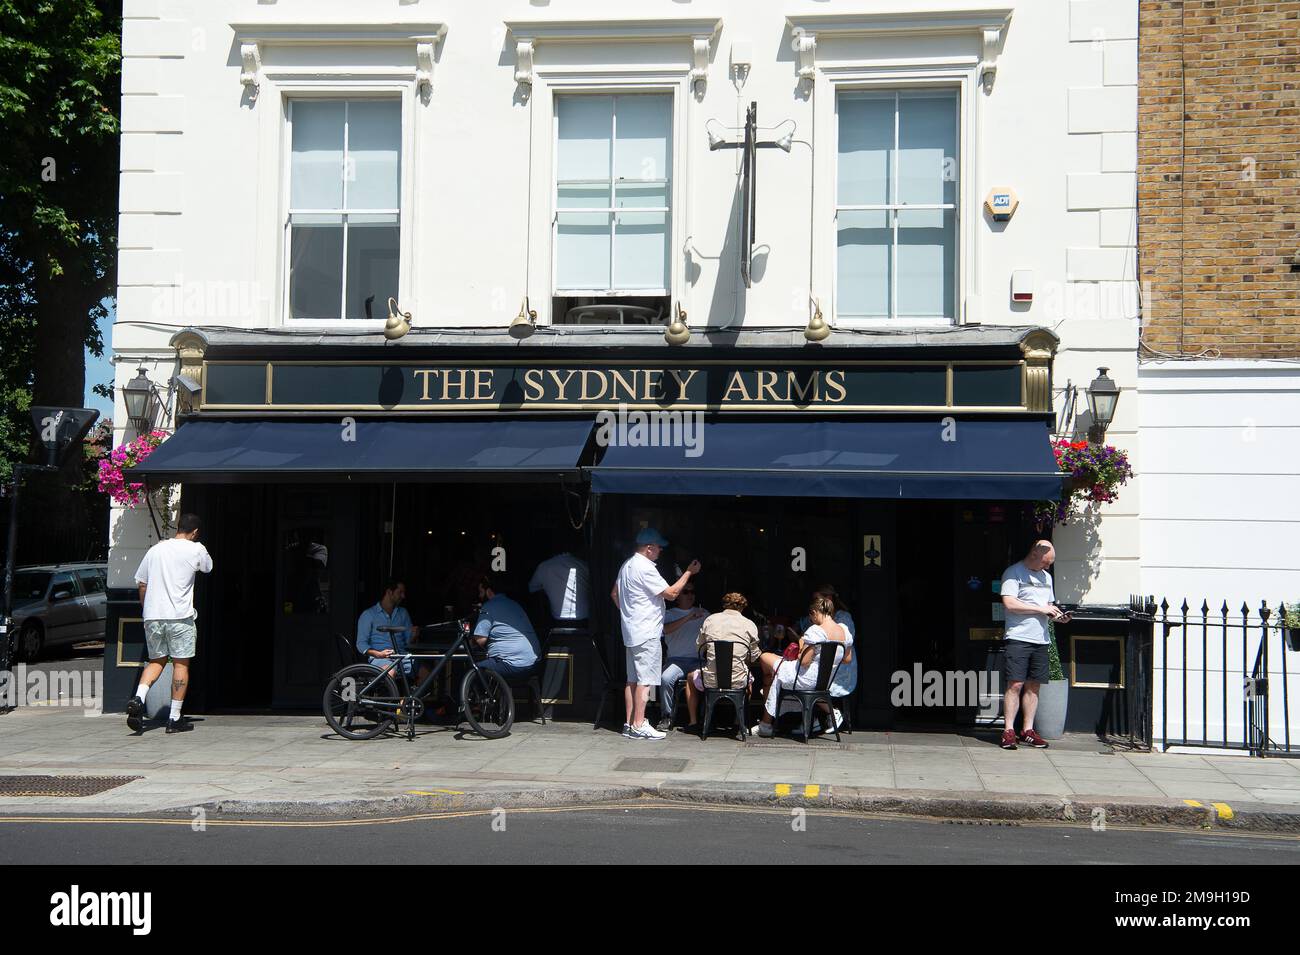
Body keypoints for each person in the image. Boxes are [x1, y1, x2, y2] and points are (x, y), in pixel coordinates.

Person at [127, 513, 213, 734]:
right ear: (195, 532)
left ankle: (138, 698)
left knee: (155, 661)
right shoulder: (196, 548)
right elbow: (207, 567)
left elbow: (142, 583)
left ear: (178, 527)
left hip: (153, 615)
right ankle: (174, 718)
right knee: (180, 664)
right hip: (179, 616)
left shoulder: (155, 550)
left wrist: (146, 609)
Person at [611, 527, 700, 741]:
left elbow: (614, 594)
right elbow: (671, 594)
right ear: (649, 548)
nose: (661, 551)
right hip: (647, 631)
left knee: (632, 680)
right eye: (659, 547)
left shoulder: (627, 565)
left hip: (632, 631)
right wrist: (688, 572)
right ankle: (639, 724)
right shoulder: (645, 567)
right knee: (645, 680)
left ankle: (629, 723)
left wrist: (630, 614)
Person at [998, 540, 1066, 750]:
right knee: (1015, 684)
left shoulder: (1046, 577)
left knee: (1034, 686)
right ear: (1035, 555)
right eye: (1046, 563)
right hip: (1018, 637)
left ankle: (1027, 730)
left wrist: (1057, 615)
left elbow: (1048, 606)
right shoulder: (1013, 573)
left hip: (1041, 639)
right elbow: (1009, 603)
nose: (1047, 567)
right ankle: (1008, 730)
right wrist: (1040, 609)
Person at [752, 595, 848, 738]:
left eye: (811, 617)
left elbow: (804, 662)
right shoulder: (843, 631)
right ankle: (770, 701)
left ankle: (767, 720)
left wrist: (801, 642)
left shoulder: (815, 631)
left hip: (805, 679)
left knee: (765, 657)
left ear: (815, 613)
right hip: (824, 681)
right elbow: (847, 659)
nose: (811, 620)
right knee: (774, 669)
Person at [682, 592, 760, 733]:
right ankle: (738, 722)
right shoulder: (749, 624)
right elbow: (754, 656)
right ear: (742, 608)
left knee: (689, 678)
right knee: (749, 682)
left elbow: (699, 647)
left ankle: (693, 722)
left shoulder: (710, 620)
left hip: (710, 681)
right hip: (737, 681)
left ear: (724, 605)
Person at [790, 584, 857, 732]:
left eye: (816, 599)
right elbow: (803, 631)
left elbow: (840, 647)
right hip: (819, 663)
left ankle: (823, 715)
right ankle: (813, 720)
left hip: (839, 669)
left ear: (828, 599)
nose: (813, 602)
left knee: (799, 678)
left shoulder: (843, 618)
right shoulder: (815, 618)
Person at [657, 584, 709, 729]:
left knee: (712, 679)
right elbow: (665, 630)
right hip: (676, 660)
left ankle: (705, 717)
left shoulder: (703, 613)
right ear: (677, 596)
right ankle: (666, 716)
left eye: (692, 591)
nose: (690, 594)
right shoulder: (669, 614)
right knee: (665, 679)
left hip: (698, 660)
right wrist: (688, 617)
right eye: (685, 592)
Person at [472, 574, 541, 679]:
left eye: (481, 592)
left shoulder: (488, 606)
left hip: (512, 664)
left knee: (472, 670)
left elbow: (480, 640)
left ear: (489, 592)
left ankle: (480, 695)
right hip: (533, 664)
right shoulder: (515, 604)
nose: (479, 597)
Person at [356, 578, 422, 678]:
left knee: (426, 671)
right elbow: (361, 644)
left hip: (403, 657)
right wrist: (378, 654)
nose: (403, 596)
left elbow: (409, 642)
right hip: (380, 659)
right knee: (390, 672)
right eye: (400, 592)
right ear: (389, 592)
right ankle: (386, 693)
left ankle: (414, 693)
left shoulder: (403, 613)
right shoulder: (368, 614)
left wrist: (414, 635)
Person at [528, 550, 590, 622]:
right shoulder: (583, 564)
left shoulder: (544, 566)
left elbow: (532, 588)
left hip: (558, 619)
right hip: (586, 618)